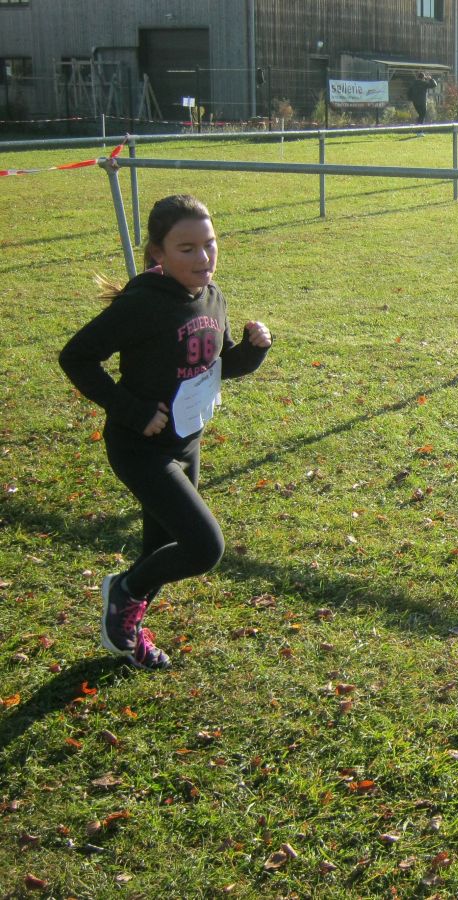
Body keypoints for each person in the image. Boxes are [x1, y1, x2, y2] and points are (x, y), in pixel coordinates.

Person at [60, 194, 273, 670]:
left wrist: (254, 350)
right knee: (203, 546)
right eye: (187, 248)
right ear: (158, 253)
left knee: (159, 550)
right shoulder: (141, 305)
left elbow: (216, 367)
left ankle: (127, 630)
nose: (204, 258)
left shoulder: (213, 297)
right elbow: (76, 357)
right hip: (141, 448)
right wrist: (131, 410)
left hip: (185, 443)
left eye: (210, 244)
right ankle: (123, 593)